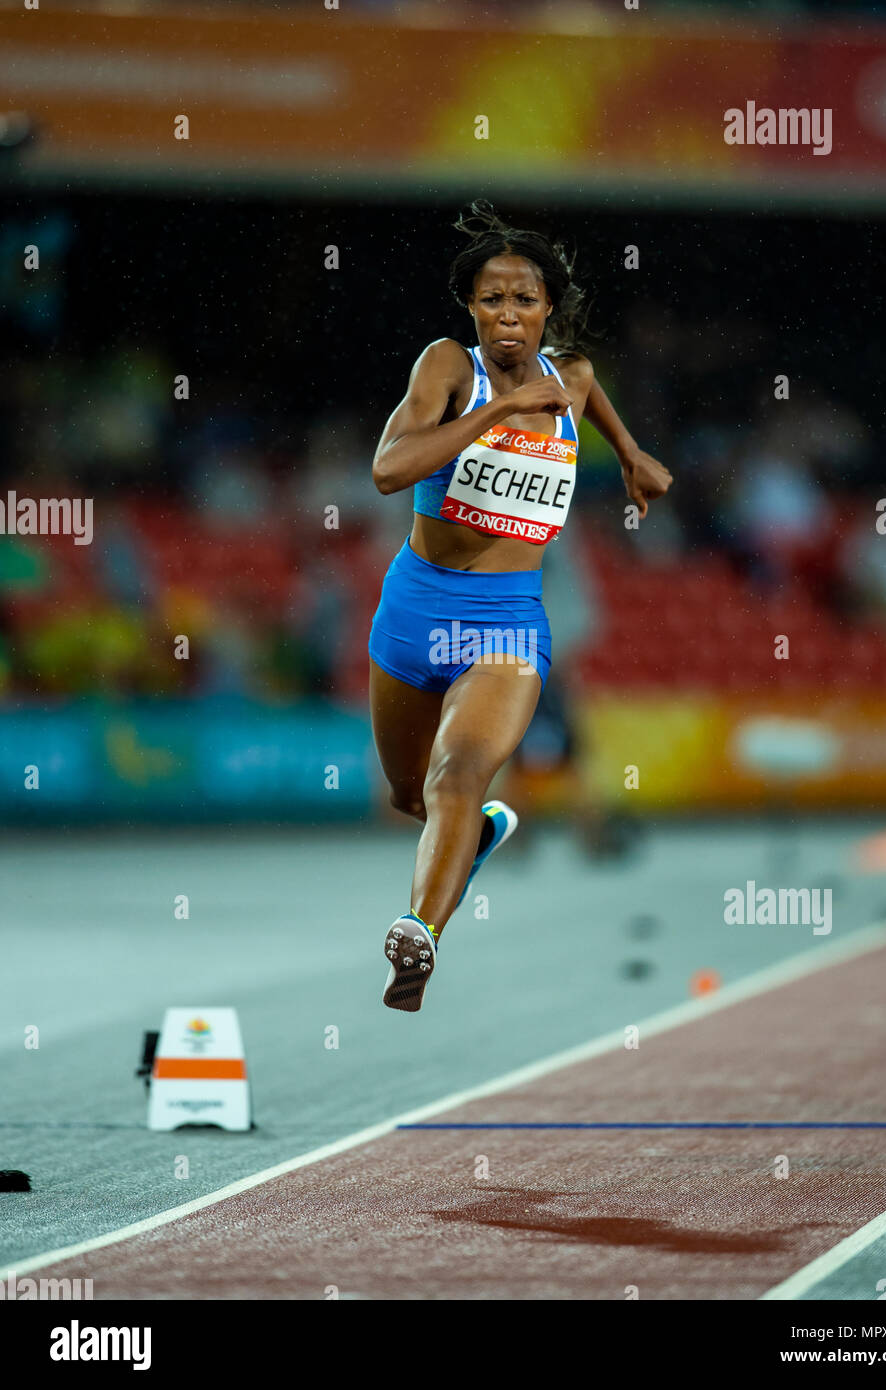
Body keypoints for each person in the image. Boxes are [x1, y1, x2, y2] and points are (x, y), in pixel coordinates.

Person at [368, 201, 671, 1011]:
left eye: (525, 300)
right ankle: (488, 833)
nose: (508, 313)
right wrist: (496, 411)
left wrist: (633, 455)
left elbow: (587, 391)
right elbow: (389, 471)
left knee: (456, 774)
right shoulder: (446, 368)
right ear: (470, 307)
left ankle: (419, 935)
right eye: (492, 298)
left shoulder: (567, 373)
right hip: (412, 610)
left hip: (504, 619)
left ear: (547, 311)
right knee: (408, 797)